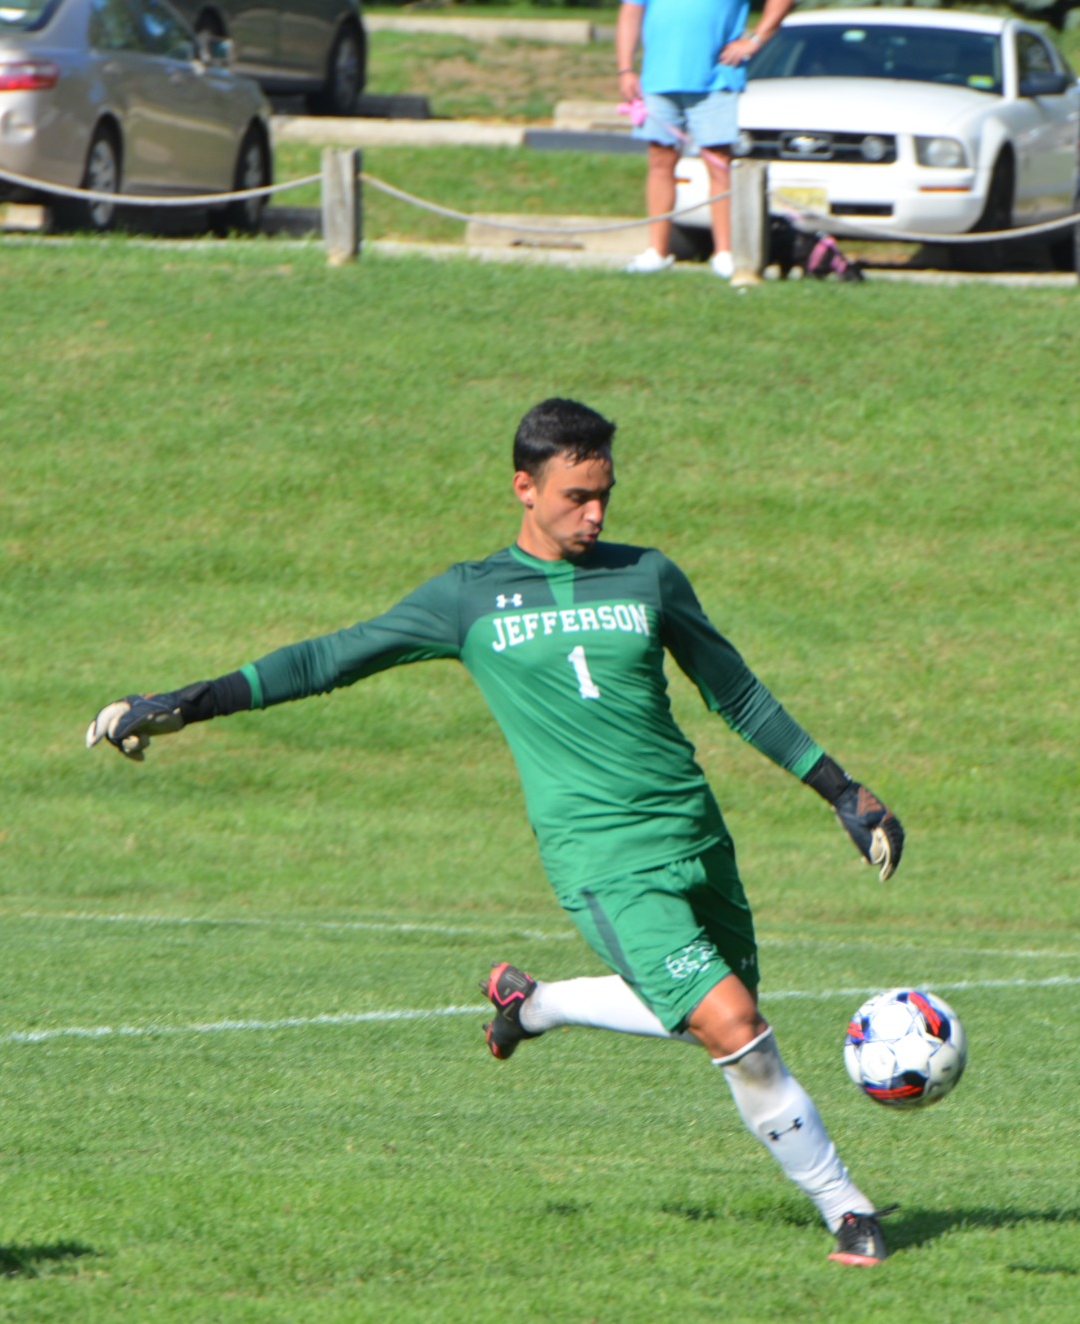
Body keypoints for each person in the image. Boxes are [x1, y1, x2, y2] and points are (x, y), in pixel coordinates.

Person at [85, 398, 907, 1267]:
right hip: (600, 856)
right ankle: (846, 1210)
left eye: (605, 495)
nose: (595, 514)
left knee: (707, 1012)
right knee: (732, 1026)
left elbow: (735, 693)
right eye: (575, 495)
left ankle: (535, 1003)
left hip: (696, 835)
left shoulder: (649, 576)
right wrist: (188, 703)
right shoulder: (466, 597)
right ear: (524, 486)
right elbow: (329, 659)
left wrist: (843, 793)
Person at [616, 0, 792, 277]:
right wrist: (625, 69)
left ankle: (724, 253)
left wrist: (755, 40)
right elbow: (631, 11)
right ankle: (657, 252)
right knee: (660, 161)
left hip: (715, 78)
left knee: (718, 163)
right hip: (659, 78)